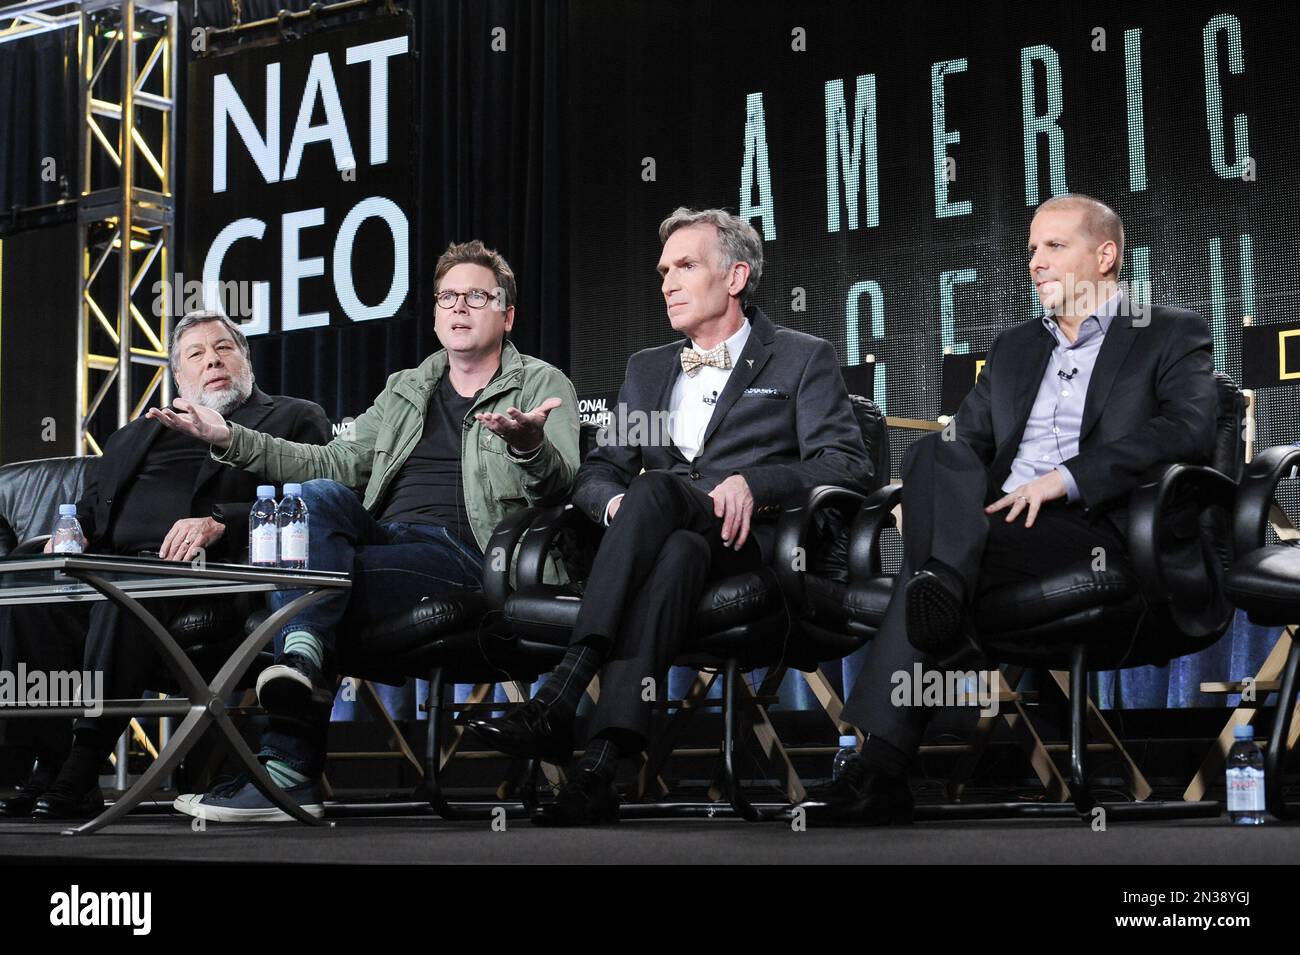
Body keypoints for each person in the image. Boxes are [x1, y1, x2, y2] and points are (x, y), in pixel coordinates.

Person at [812, 194, 1219, 824]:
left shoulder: (1166, 330)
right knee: (932, 455)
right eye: (1032, 248)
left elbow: (1187, 430)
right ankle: (940, 593)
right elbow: (962, 447)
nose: (1035, 262)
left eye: (1054, 247)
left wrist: (1066, 478)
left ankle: (880, 765)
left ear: (1105, 255)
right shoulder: (1013, 349)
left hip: (1097, 529)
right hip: (999, 529)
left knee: (935, 567)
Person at [149, 240, 581, 822]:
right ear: (434, 315)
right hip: (389, 540)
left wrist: (528, 446)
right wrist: (231, 438)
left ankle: (286, 769)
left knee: (302, 593)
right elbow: (327, 463)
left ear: (506, 315)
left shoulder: (539, 383)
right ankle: (300, 664)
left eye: (478, 296)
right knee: (315, 498)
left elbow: (561, 487)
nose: (460, 307)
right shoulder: (407, 389)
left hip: (473, 556)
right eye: (448, 296)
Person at [467, 207, 869, 825]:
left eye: (686, 266)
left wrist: (754, 483)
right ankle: (600, 766)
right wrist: (618, 507)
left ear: (735, 277)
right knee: (671, 536)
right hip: (673, 549)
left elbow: (844, 465)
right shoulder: (648, 368)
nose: (668, 282)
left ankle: (562, 692)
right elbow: (601, 472)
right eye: (663, 270)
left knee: (658, 493)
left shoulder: (800, 357)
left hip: (754, 543)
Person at [0, 309, 332, 819]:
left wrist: (218, 521)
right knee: (27, 590)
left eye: (224, 348)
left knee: (122, 587)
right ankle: (30, 762)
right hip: (113, 568)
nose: (213, 361)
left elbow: (314, 499)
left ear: (246, 359)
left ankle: (84, 761)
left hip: (212, 575)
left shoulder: (290, 418)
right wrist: (72, 536)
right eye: (196, 355)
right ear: (180, 378)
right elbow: (89, 510)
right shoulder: (132, 436)